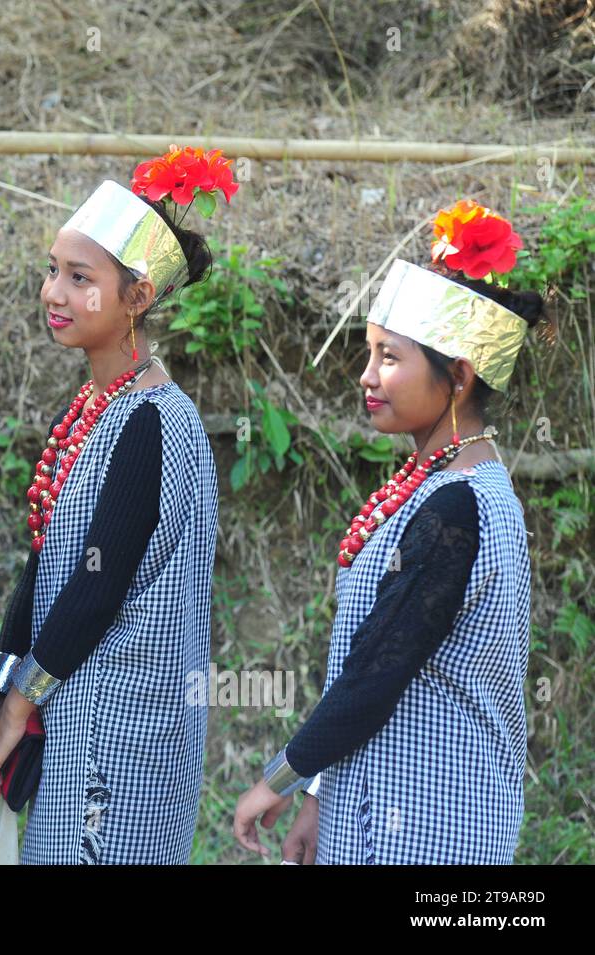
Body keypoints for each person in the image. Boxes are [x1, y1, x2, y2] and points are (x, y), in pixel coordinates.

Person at [233, 198, 541, 864]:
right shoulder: (439, 486)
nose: (367, 376)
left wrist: (279, 779)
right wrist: (319, 794)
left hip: (429, 821)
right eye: (369, 353)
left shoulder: (459, 505)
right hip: (382, 802)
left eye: (390, 358)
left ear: (457, 376)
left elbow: (381, 666)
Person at [0, 147, 235, 863]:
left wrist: (18, 704)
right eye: (52, 270)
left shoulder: (152, 417)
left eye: (80, 278)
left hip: (125, 731)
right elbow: (45, 562)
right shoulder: (95, 406)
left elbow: (96, 585)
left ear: (138, 297)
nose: (54, 292)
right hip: (82, 713)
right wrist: (0, 684)